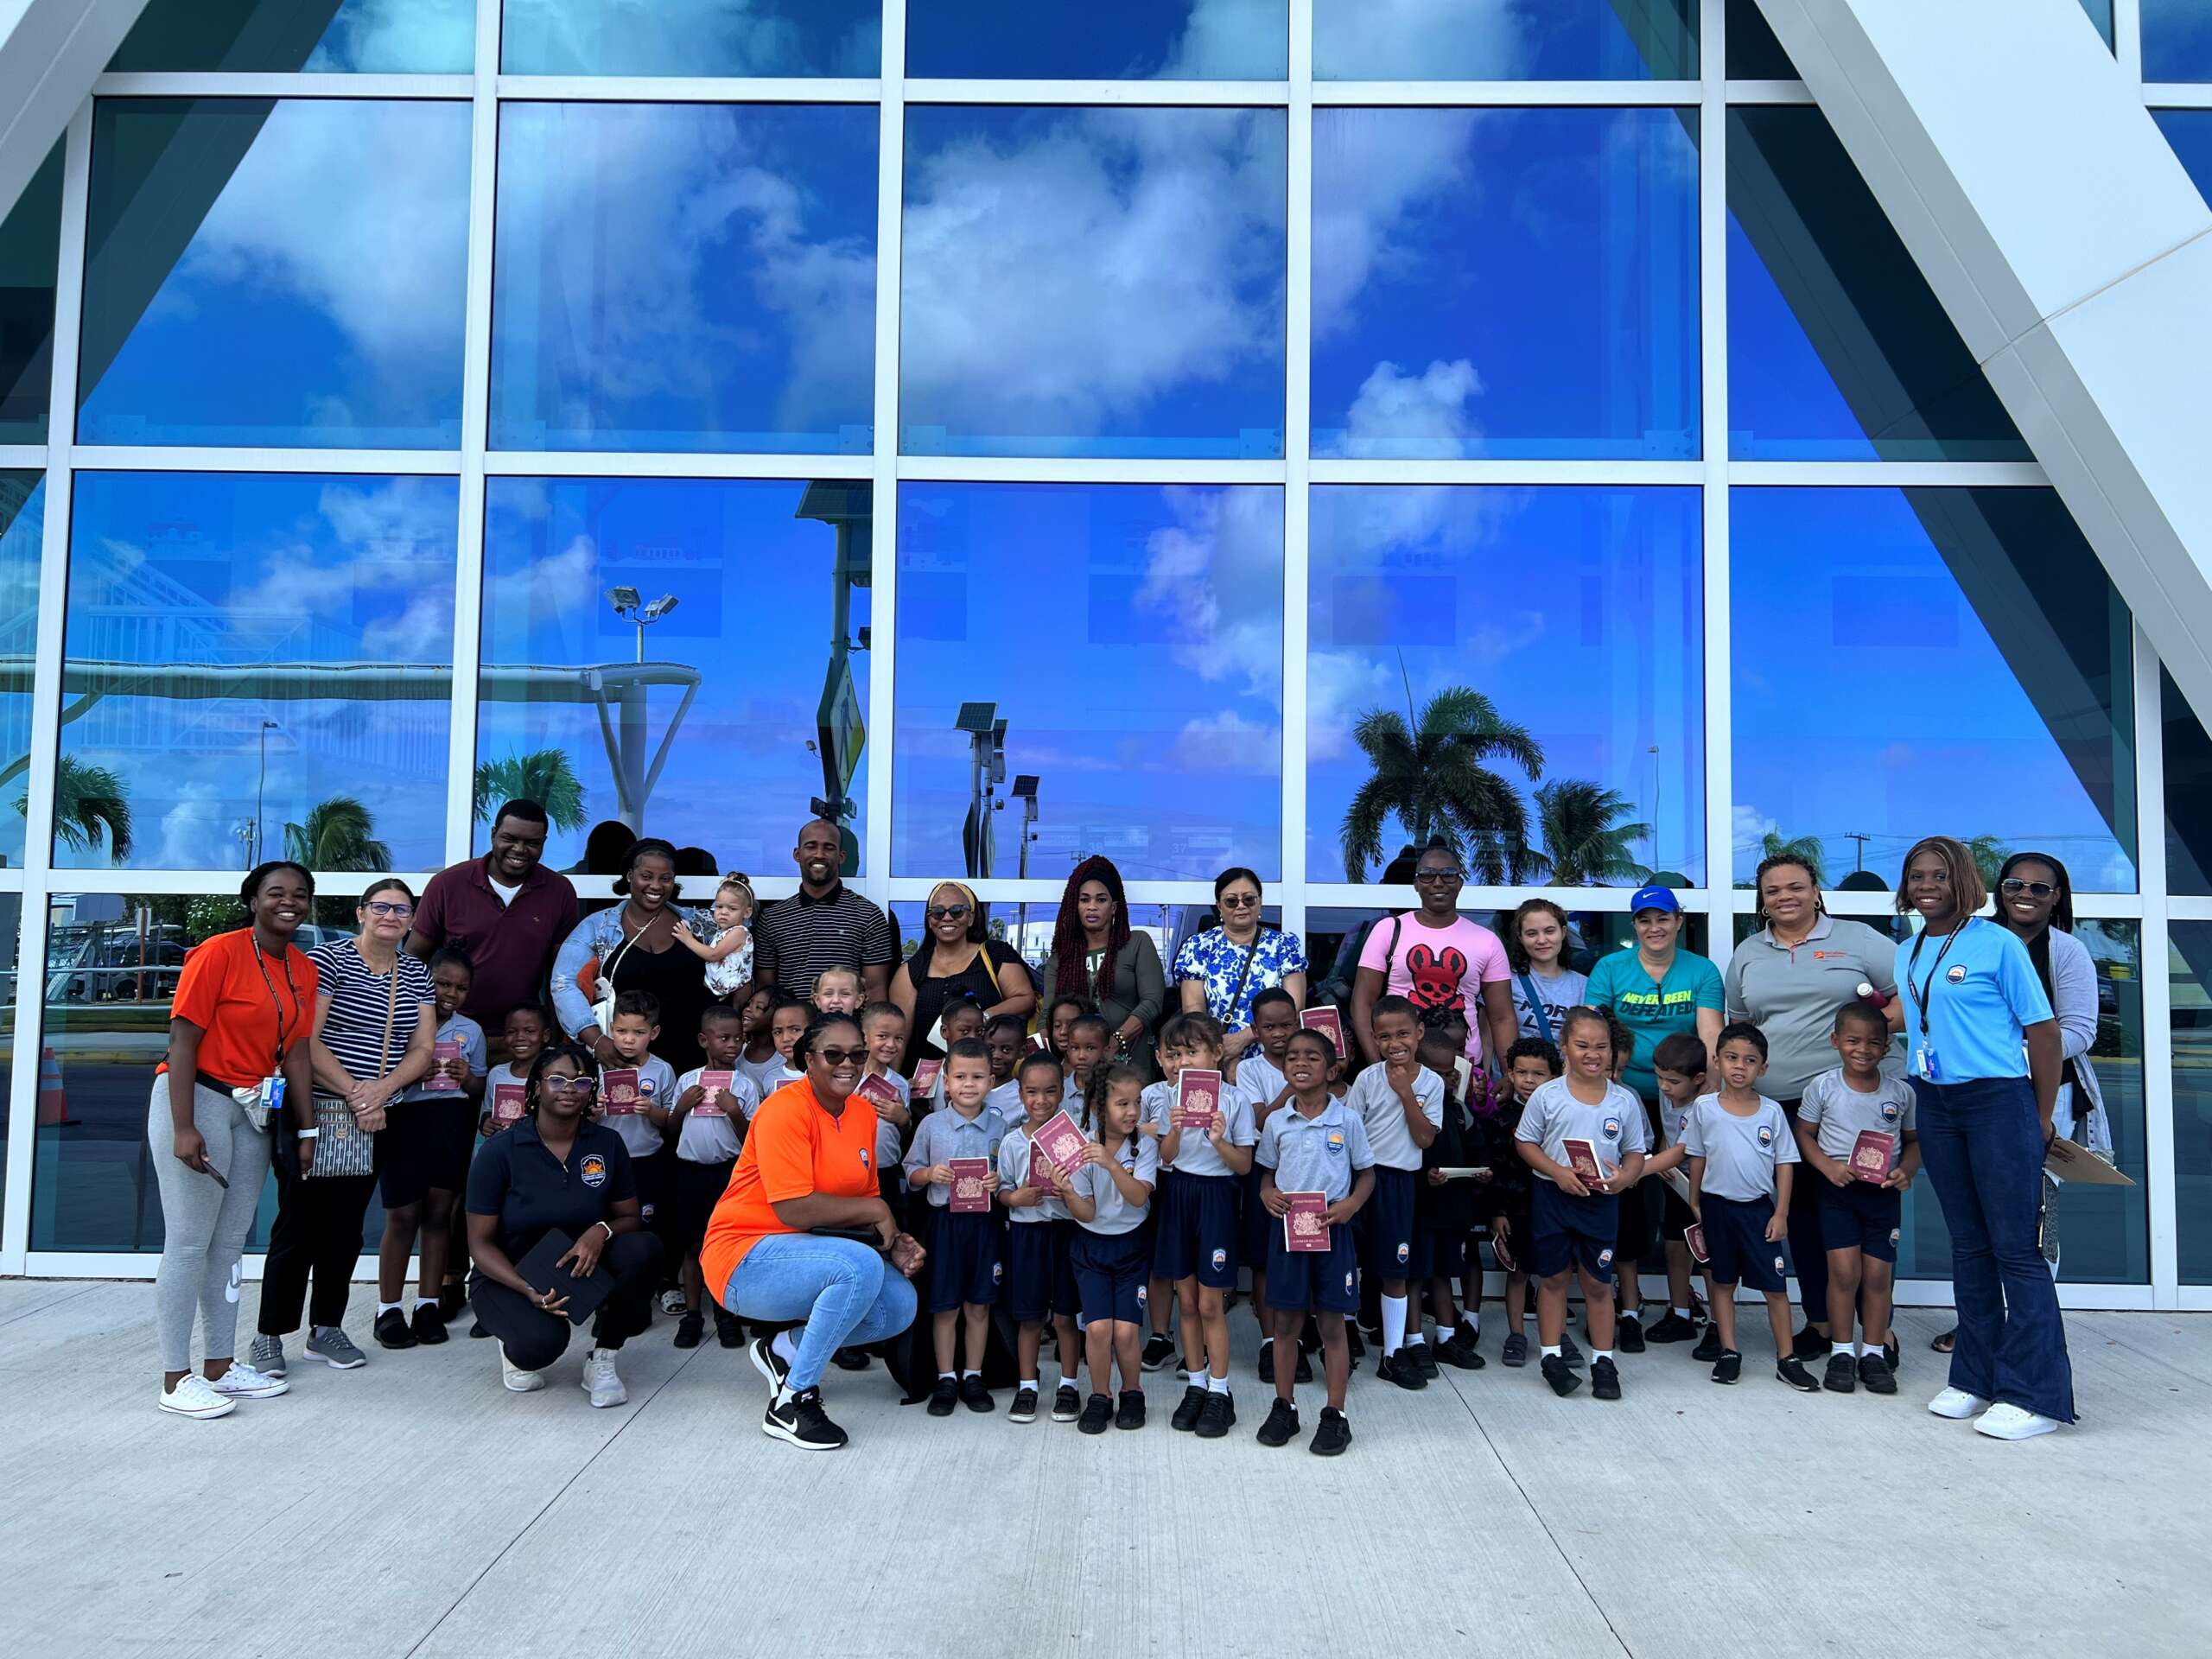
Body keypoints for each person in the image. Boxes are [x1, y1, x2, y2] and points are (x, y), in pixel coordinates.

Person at [1894, 836, 2075, 1440]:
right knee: (1968, 1246)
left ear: (1963, 882)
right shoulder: (1909, 949)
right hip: (1938, 1103)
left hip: (1998, 1100)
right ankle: (1976, 1377)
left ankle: (2038, 1397)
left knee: (2015, 1250)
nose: (1926, 884)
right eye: (1917, 875)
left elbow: (2045, 1035)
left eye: (1939, 875)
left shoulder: (1997, 943)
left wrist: (2041, 1115)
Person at [702, 1012, 925, 1451]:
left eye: (857, 1054)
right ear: (809, 1060)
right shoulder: (783, 1110)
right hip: (743, 1256)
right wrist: (877, 1211)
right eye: (833, 1054)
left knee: (898, 1307)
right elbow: (793, 1208)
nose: (847, 1064)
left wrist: (893, 1242)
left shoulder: (862, 1113)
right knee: (857, 1267)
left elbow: (861, 1207)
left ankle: (784, 1350)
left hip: (810, 1253)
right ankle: (791, 1401)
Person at [151, 861, 321, 1418]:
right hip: (197, 1099)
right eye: (276, 893)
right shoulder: (218, 953)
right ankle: (176, 1379)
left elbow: (295, 1052)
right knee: (188, 1243)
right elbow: (182, 1040)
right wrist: (183, 1127)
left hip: (252, 1112)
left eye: (299, 894)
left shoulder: (301, 965)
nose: (288, 902)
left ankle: (219, 1366)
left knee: (229, 1245)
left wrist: (306, 1127)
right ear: (253, 900)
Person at [1723, 852, 1901, 1359]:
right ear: (1761, 900)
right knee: (1800, 1216)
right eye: (1773, 890)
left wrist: (1872, 1034)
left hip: (1852, 1102)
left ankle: (1877, 1333)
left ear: (1816, 890)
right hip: (1781, 1105)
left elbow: (1911, 989)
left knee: (1863, 1213)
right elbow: (1741, 1023)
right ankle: (1822, 1323)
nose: (1785, 897)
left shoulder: (1858, 939)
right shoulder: (1749, 953)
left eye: (1795, 887)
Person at [254, 879, 433, 1377]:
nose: (390, 916)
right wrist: (359, 1093)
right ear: (361, 913)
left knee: (346, 1229)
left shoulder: (416, 972)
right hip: (319, 1113)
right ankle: (269, 1334)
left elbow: (422, 1048)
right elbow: (305, 1039)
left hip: (376, 1116)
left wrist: (380, 1093)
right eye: (381, 907)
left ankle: (326, 1328)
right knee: (296, 1224)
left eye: (401, 909)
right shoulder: (328, 961)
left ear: (412, 920)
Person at [463, 1042, 664, 1405]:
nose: (570, 1089)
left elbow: (629, 1217)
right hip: (511, 1274)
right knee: (541, 1346)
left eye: (581, 1082)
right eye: (557, 1080)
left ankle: (603, 1358)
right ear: (537, 1086)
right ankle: (514, 1341)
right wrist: (526, 1289)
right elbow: (479, 1244)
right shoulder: (500, 1151)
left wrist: (599, 1231)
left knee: (644, 1248)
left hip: (577, 1266)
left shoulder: (607, 1143)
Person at [1586, 884, 1723, 1349]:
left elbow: (1709, 1035)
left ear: (1679, 921)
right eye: (1644, 920)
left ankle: (1686, 1309)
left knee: (1688, 1205)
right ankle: (1625, 1304)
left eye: (1663, 918)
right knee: (1620, 1199)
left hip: (1684, 1097)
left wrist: (1705, 1098)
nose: (1654, 927)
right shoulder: (1609, 968)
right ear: (1635, 926)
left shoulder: (1701, 970)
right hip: (1622, 1097)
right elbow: (1594, 1034)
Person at [1515, 1007, 1649, 1403]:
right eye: (1583, 1046)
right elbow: (1525, 1142)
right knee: (1554, 1279)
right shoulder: (1547, 1095)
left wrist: (1626, 1177)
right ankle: (1552, 1357)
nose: (1593, 1054)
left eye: (1602, 1047)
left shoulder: (1623, 1101)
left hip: (1601, 1202)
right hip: (1553, 1198)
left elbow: (1635, 1152)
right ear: (1564, 1048)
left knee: (1597, 1282)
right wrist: (1556, 1171)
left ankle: (1604, 1361)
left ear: (1612, 1052)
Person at [1254, 1027, 1374, 1456]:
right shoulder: (1277, 1122)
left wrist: (1351, 1206)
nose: (1300, 1063)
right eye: (1292, 1057)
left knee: (1332, 1324)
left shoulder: (1348, 1120)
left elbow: (1367, 1173)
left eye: (1312, 1057)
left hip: (1332, 1229)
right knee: (1286, 1324)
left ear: (1332, 1068)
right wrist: (1267, 1191)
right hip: (1288, 1232)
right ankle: (1284, 1405)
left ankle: (1335, 1414)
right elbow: (1266, 1171)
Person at [1683, 1024, 1819, 1391]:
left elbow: (1785, 1164)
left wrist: (1781, 1213)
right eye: (1731, 1058)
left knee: (1775, 1288)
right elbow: (1696, 1156)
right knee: (1722, 1283)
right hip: (1716, 1208)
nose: (1739, 1067)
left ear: (1764, 1068)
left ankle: (1786, 1358)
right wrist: (1695, 1200)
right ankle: (1729, 1351)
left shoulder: (1772, 1113)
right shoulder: (1704, 1108)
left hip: (1759, 1211)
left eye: (1750, 1060)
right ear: (1717, 1061)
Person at [1796, 1003, 1919, 1395]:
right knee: (1844, 1273)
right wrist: (1827, 1167)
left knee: (1879, 1276)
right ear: (1836, 1042)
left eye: (1873, 1043)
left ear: (1886, 1048)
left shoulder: (1900, 1093)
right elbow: (1803, 1135)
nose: (1862, 1049)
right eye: (1852, 1041)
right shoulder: (1823, 1087)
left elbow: (1915, 1143)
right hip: (1838, 1193)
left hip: (1881, 1197)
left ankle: (1874, 1353)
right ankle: (1842, 1351)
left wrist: (1907, 1171)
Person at [1143, 1011, 1256, 1437]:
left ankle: (1220, 1390)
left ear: (1216, 1053)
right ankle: (1195, 1383)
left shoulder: (1234, 1099)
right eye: (1177, 1054)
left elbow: (1244, 1165)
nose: (1186, 1062)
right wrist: (1172, 1129)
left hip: (1217, 1196)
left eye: (1194, 1051)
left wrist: (1218, 1139)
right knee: (1185, 1301)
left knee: (1211, 1303)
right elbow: (1166, 1158)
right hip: (1178, 1193)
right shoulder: (1164, 1097)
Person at [407, 799, 580, 1034]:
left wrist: (554, 1035)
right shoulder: (448, 885)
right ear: (493, 834)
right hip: (450, 1031)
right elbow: (413, 960)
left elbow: (560, 974)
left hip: (521, 1037)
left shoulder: (559, 891)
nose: (519, 849)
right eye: (509, 839)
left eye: (532, 843)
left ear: (544, 843)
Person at [903, 1036, 1007, 1415]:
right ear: (945, 1081)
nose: (968, 1084)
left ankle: (973, 1375)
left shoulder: (1001, 1127)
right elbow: (910, 1173)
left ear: (990, 1082)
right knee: (945, 1306)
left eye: (977, 1077)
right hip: (945, 1225)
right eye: (960, 1076)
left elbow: (1011, 1177)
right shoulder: (932, 1125)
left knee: (978, 1304)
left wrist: (999, 1182)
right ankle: (946, 1377)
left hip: (984, 1225)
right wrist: (930, 1173)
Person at [1347, 995, 1445, 1389]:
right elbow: (1351, 1131)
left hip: (1401, 1183)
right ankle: (1347, 1331)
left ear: (1419, 1033)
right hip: (1362, 1178)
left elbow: (1424, 1139)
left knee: (1395, 1268)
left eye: (1403, 1033)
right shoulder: (1368, 1079)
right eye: (1384, 1036)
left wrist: (1406, 1092)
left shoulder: (1432, 1083)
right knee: (1350, 1260)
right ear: (1374, 1038)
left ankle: (1392, 1353)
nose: (1395, 1043)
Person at [1349, 842, 1516, 1071]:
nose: (1438, 882)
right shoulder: (1389, 930)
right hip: (1398, 1064)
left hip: (1462, 1069)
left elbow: (1502, 1017)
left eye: (1448, 874)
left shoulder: (1486, 941)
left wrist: (1509, 1073)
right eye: (1427, 875)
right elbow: (1362, 1003)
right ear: (1416, 884)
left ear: (1460, 883)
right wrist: (1377, 1066)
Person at [551, 838, 712, 1076]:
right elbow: (564, 983)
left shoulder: (698, 925)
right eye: (646, 876)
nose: (656, 886)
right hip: (620, 1059)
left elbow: (739, 950)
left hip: (692, 1061)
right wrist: (596, 1040)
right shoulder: (599, 926)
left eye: (665, 878)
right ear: (630, 876)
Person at [1063, 1061, 1160, 1433]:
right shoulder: (1082, 1147)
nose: (1132, 1111)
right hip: (1091, 1248)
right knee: (1099, 1329)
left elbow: (1138, 1198)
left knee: (1126, 1332)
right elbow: (1086, 1214)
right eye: (1122, 1104)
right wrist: (1069, 1192)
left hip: (1133, 1246)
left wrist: (1111, 1163)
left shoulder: (1145, 1145)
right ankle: (1100, 1396)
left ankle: (1132, 1392)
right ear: (1100, 1107)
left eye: (1136, 1102)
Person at [997, 1051, 1084, 1424]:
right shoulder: (1012, 1142)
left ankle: (1069, 1384)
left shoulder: (1073, 1139)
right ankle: (1028, 1385)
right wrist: (1014, 1197)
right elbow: (1000, 1189)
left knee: (1065, 1315)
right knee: (1030, 1316)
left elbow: (1087, 1188)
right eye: (1032, 1092)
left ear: (1062, 1092)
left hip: (1065, 1231)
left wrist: (1068, 1191)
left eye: (1050, 1092)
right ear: (1020, 1094)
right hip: (1026, 1234)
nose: (1041, 1101)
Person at [667, 1004, 760, 1350]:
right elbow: (672, 1131)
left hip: (729, 1173)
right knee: (692, 1245)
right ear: (704, 1040)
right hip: (690, 1171)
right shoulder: (687, 1081)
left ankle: (726, 1314)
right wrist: (681, 1107)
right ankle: (693, 1315)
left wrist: (734, 1111)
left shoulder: (745, 1086)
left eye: (739, 1038)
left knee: (727, 1246)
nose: (733, 1044)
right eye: (724, 1038)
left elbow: (752, 1140)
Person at [407, 946, 489, 1323]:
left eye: (461, 988)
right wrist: (412, 1072)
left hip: (450, 1120)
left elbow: (478, 1088)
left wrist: (465, 1076)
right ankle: (392, 1304)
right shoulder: (404, 1019)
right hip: (406, 1120)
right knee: (404, 1212)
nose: (450, 993)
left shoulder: (470, 1031)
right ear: (426, 979)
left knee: (442, 1210)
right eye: (442, 983)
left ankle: (434, 1295)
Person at [1038, 856, 1167, 1082]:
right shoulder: (1062, 955)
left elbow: (1152, 1002)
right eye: (1084, 900)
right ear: (1075, 905)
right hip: (1075, 1068)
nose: (1092, 907)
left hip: (1129, 1062)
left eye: (1101, 900)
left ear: (1114, 907)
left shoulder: (1137, 943)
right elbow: (1048, 1016)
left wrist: (1116, 1041)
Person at [892, 880, 1036, 1074]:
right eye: (938, 912)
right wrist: (893, 1083)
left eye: (957, 911)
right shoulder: (911, 970)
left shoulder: (995, 954)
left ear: (971, 917)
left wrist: (983, 1018)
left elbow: (1025, 999)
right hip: (925, 1087)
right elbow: (900, 1034)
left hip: (986, 1079)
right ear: (929, 919)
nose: (947, 917)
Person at [1232, 987, 1302, 1382]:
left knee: (1300, 1256)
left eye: (1287, 1025)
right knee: (1262, 1259)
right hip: (1266, 1169)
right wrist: (1294, 1082)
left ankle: (1295, 1339)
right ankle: (1268, 1341)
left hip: (1308, 1172)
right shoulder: (1251, 1069)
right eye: (1269, 1027)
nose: (1279, 1033)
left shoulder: (1315, 1058)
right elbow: (1260, 1120)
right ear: (1256, 1031)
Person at [750, 817, 898, 1002]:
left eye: (828, 847)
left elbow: (875, 989)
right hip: (792, 1029)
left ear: (841, 856)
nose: (819, 854)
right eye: (811, 846)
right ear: (797, 854)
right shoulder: (772, 918)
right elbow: (766, 991)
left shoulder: (867, 915)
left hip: (848, 1029)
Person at [1173, 868, 1308, 1065]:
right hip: (1219, 1052)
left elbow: (1294, 1008)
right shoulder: (1199, 946)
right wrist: (1221, 1050)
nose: (1241, 906)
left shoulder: (1284, 945)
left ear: (1260, 902)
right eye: (1232, 901)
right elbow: (1194, 1012)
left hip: (1274, 1057)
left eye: (1249, 899)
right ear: (1219, 906)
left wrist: (1243, 1038)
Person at [1414, 1020, 1487, 1372]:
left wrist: (1481, 1171)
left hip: (1451, 1208)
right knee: (1415, 1275)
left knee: (1443, 1273)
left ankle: (1445, 1338)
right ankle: (1411, 1343)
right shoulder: (1409, 1111)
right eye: (1440, 1074)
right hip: (1418, 1207)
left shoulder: (1459, 1111)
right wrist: (1425, 1174)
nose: (1449, 1081)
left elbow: (1475, 1152)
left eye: (1453, 1073)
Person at [1489, 1037, 1559, 1369]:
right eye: (1521, 1072)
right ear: (1511, 1075)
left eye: (1538, 1074)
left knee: (1554, 1275)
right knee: (1516, 1274)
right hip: (1515, 1208)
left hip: (1552, 1206)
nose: (1529, 1080)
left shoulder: (1561, 1112)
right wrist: (1498, 1211)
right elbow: (1497, 1168)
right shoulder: (1502, 1117)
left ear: (1554, 1076)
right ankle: (1516, 1334)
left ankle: (1557, 1336)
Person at [1645, 1033, 1712, 1352]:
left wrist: (1648, 1166)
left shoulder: (1707, 1105)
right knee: (1674, 1245)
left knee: (1709, 1254)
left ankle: (1718, 1324)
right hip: (1675, 1182)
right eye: (1659, 1078)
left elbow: (1688, 1148)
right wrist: (1661, 1152)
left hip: (1706, 1185)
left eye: (1672, 1081)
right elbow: (1668, 1135)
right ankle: (1680, 1313)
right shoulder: (1666, 1093)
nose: (1663, 1087)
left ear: (1698, 1079)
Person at [1505, 898, 1588, 1045]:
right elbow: (1488, 1039)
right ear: (1521, 938)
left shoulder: (1584, 985)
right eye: (1532, 934)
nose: (1542, 940)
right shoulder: (1505, 982)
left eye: (1549, 931)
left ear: (1563, 933)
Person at [673, 874, 756, 1001]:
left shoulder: (739, 932)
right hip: (720, 992)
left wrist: (687, 939)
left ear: (747, 913)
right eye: (719, 906)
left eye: (732, 908)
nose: (723, 912)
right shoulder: (723, 931)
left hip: (735, 992)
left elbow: (713, 955)